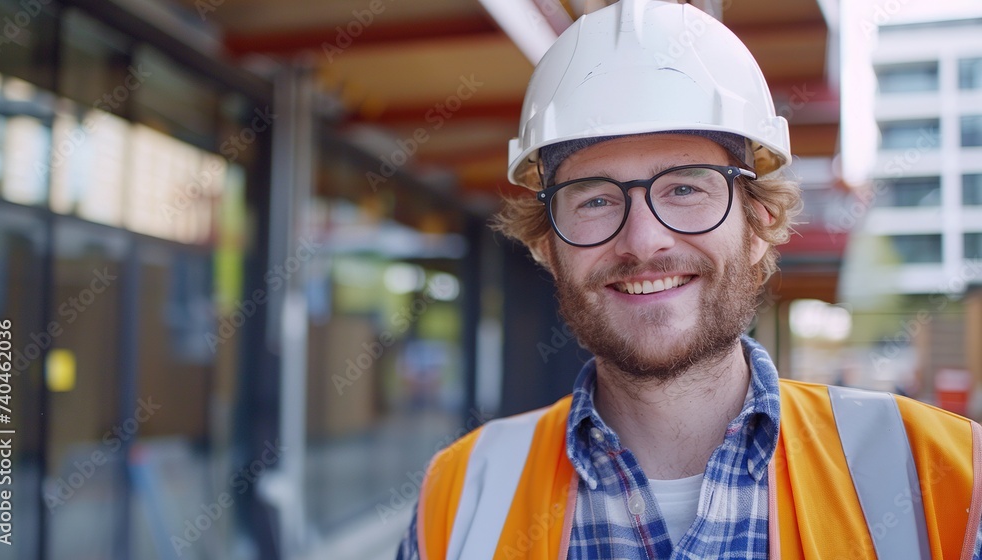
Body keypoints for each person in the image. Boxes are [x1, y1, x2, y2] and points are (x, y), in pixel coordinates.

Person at [397, 0, 982, 558]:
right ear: (546, 245)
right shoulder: (459, 497)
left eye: (685, 188)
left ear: (759, 223)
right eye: (596, 199)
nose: (644, 240)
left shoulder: (950, 478)